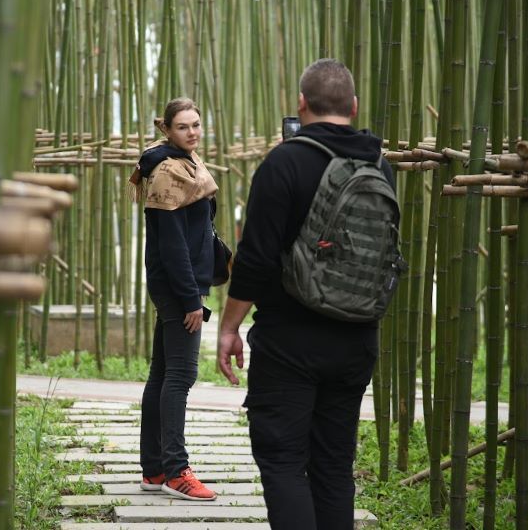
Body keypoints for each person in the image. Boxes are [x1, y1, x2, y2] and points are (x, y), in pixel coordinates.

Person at [216, 59, 394, 529]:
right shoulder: (379, 162)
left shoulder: (285, 161)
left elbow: (255, 258)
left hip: (290, 341)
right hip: (357, 338)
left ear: (301, 104)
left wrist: (230, 326)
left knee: (283, 460)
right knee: (333, 465)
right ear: (353, 107)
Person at [130, 97, 218, 502]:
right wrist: (190, 300)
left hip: (177, 284)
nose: (192, 132)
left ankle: (154, 469)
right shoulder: (167, 170)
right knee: (180, 377)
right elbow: (172, 244)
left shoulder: (186, 163)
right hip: (177, 286)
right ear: (166, 129)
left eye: (196, 124)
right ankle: (176, 470)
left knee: (163, 374)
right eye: (183, 126)